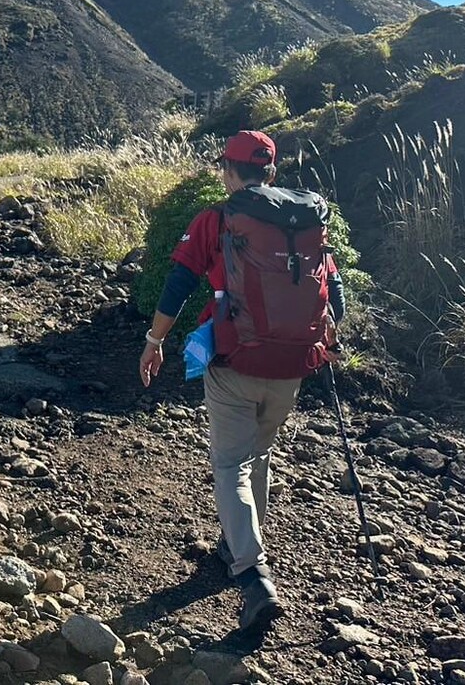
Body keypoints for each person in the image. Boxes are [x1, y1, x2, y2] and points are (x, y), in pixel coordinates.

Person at [139, 130, 347, 632]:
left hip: (235, 359)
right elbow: (335, 297)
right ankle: (237, 543)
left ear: (230, 171)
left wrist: (154, 340)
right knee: (259, 453)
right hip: (292, 364)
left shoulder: (218, 218)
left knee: (231, 463)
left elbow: (179, 283)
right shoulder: (306, 222)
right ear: (270, 172)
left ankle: (253, 575)